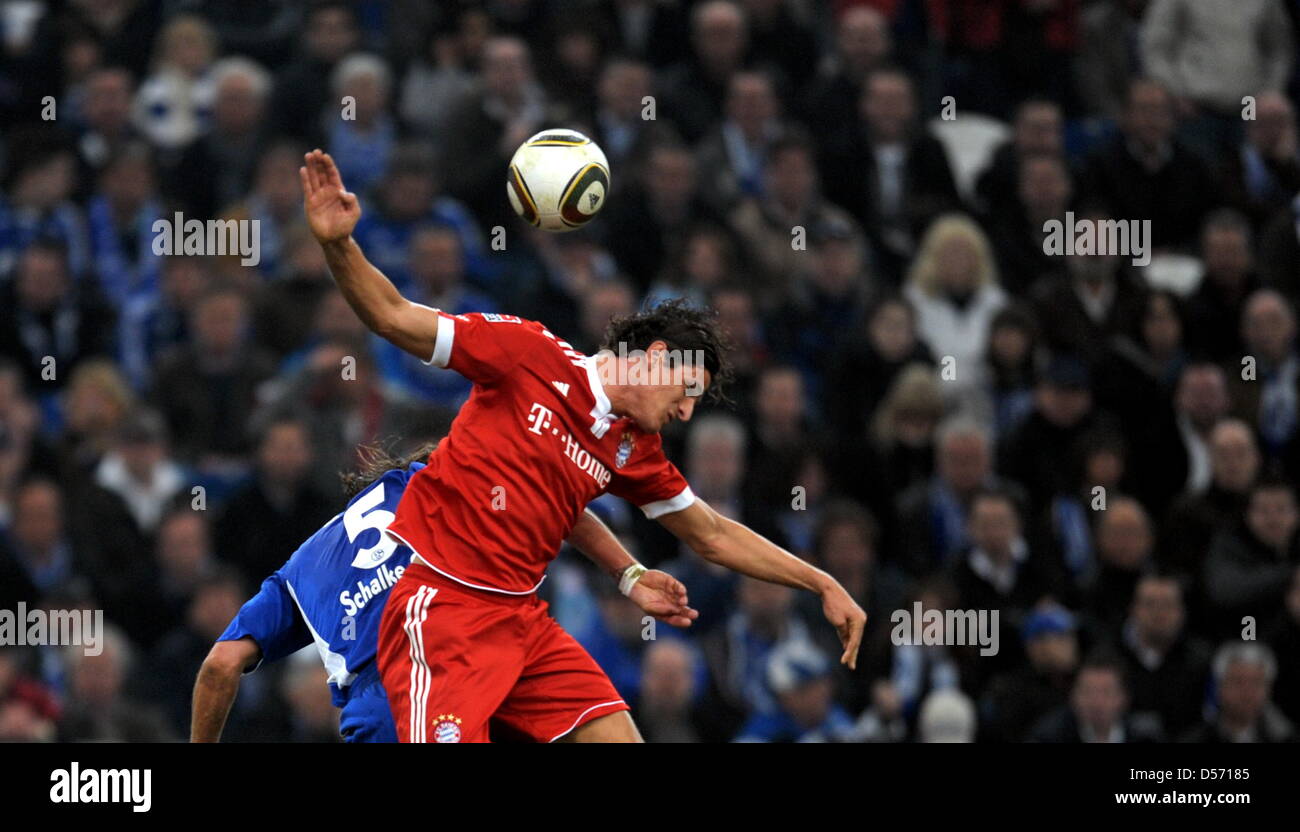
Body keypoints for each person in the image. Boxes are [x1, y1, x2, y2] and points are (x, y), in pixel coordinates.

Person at [299, 149, 865, 743]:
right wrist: (339, 245)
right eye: (687, 390)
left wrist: (820, 582)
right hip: (443, 612)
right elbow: (393, 316)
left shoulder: (633, 448)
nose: (686, 411)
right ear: (654, 359)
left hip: (522, 621)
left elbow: (713, 535)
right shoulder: (527, 353)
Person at [191, 444, 693, 743]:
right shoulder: (426, 480)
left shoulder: (296, 574)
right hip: (473, 662)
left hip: (384, 707)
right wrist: (628, 575)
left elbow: (219, 666)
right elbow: (553, 500)